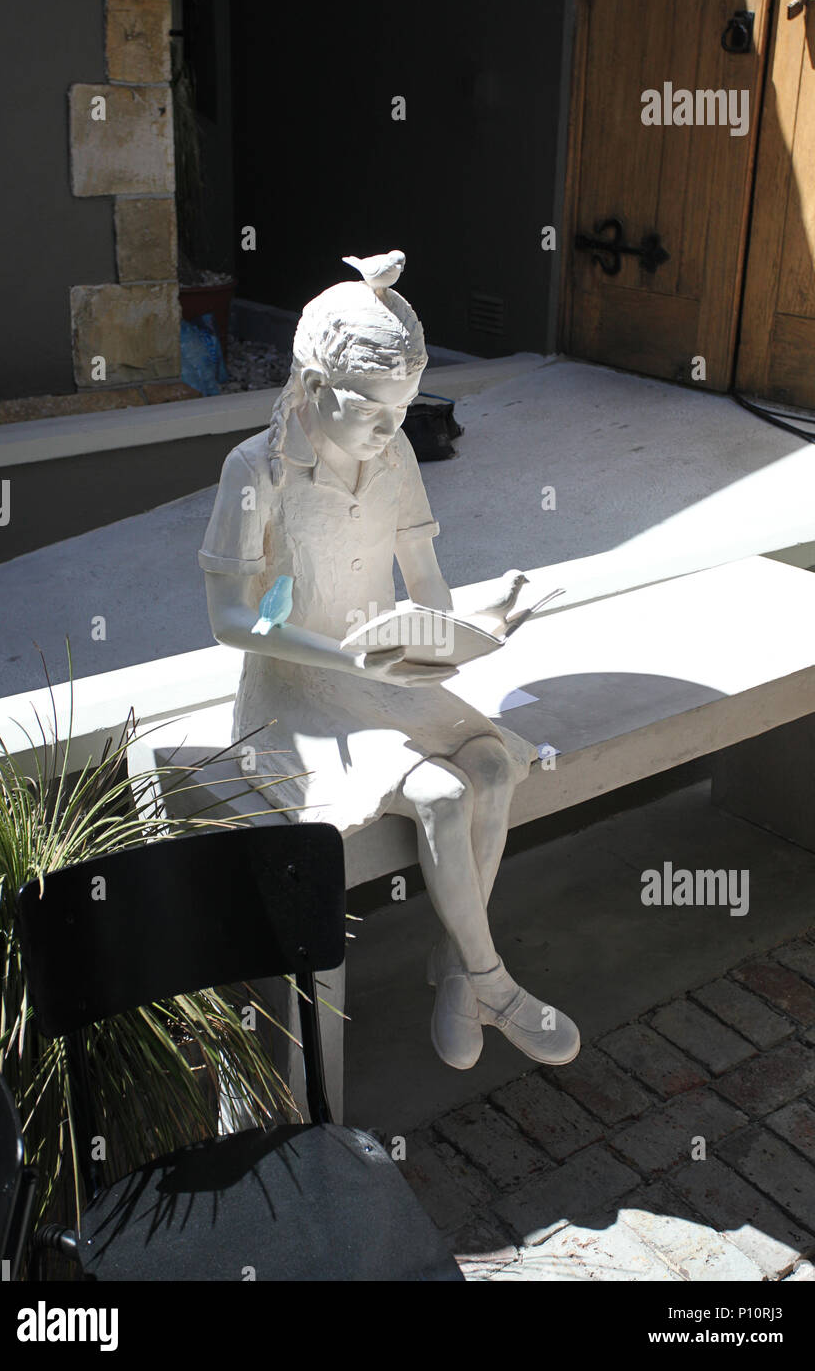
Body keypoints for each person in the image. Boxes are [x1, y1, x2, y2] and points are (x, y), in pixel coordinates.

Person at [199, 253, 580, 1071]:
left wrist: (481, 623)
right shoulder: (253, 471)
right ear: (309, 382)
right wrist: (345, 656)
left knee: (491, 764)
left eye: (403, 410)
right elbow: (234, 620)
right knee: (445, 791)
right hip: (297, 694)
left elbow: (427, 590)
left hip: (384, 671)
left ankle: (456, 971)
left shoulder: (397, 457)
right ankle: (491, 980)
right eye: (371, 411)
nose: (389, 430)